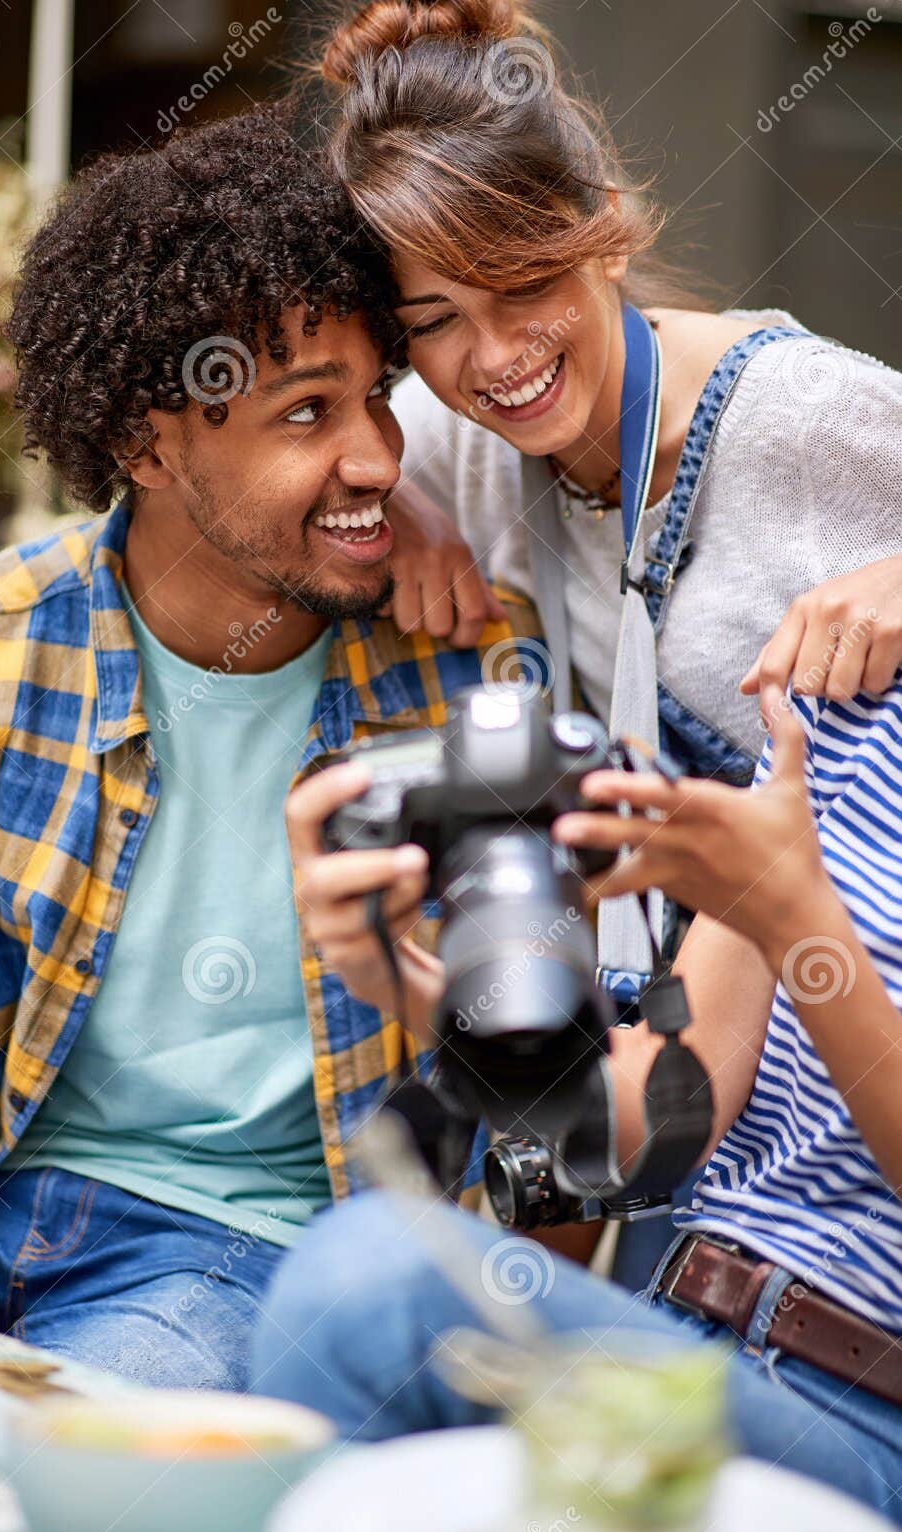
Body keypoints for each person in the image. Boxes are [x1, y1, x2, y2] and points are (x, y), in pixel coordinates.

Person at [0, 105, 542, 1390]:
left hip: (231, 1258)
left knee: (74, 1464)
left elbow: (541, 1111)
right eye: (306, 412)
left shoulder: (466, 685)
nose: (376, 458)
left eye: (375, 399)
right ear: (145, 444)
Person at [312, 0, 902, 978]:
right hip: (682, 1006)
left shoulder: (803, 415)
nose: (494, 358)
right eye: (436, 320)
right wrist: (380, 502)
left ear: (607, 234)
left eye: (523, 285)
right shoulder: (441, 440)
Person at [251, 678, 902, 1519]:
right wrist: (409, 983)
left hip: (866, 1423)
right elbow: (662, 1116)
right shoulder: (847, 713)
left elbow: (788, 914)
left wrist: (795, 919)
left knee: (370, 1278)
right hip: (675, 1342)